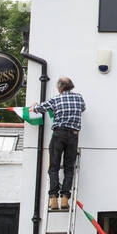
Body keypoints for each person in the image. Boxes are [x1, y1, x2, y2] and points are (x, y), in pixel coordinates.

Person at [31, 77, 87, 211]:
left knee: (54, 167)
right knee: (69, 168)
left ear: (60, 88)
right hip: (73, 135)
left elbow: (38, 109)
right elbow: (83, 108)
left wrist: (33, 106)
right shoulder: (79, 98)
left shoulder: (56, 99)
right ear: (71, 86)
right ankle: (65, 199)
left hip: (59, 134)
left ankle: (53, 199)